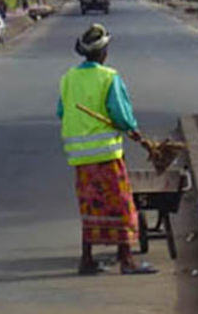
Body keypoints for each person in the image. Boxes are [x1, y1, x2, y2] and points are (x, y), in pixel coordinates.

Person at [57, 23, 157, 276]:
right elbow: (122, 117)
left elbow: (61, 111)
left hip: (80, 158)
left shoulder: (68, 78)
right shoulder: (109, 77)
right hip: (105, 155)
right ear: (103, 53)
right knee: (121, 205)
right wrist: (132, 129)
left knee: (90, 206)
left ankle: (87, 259)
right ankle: (127, 260)